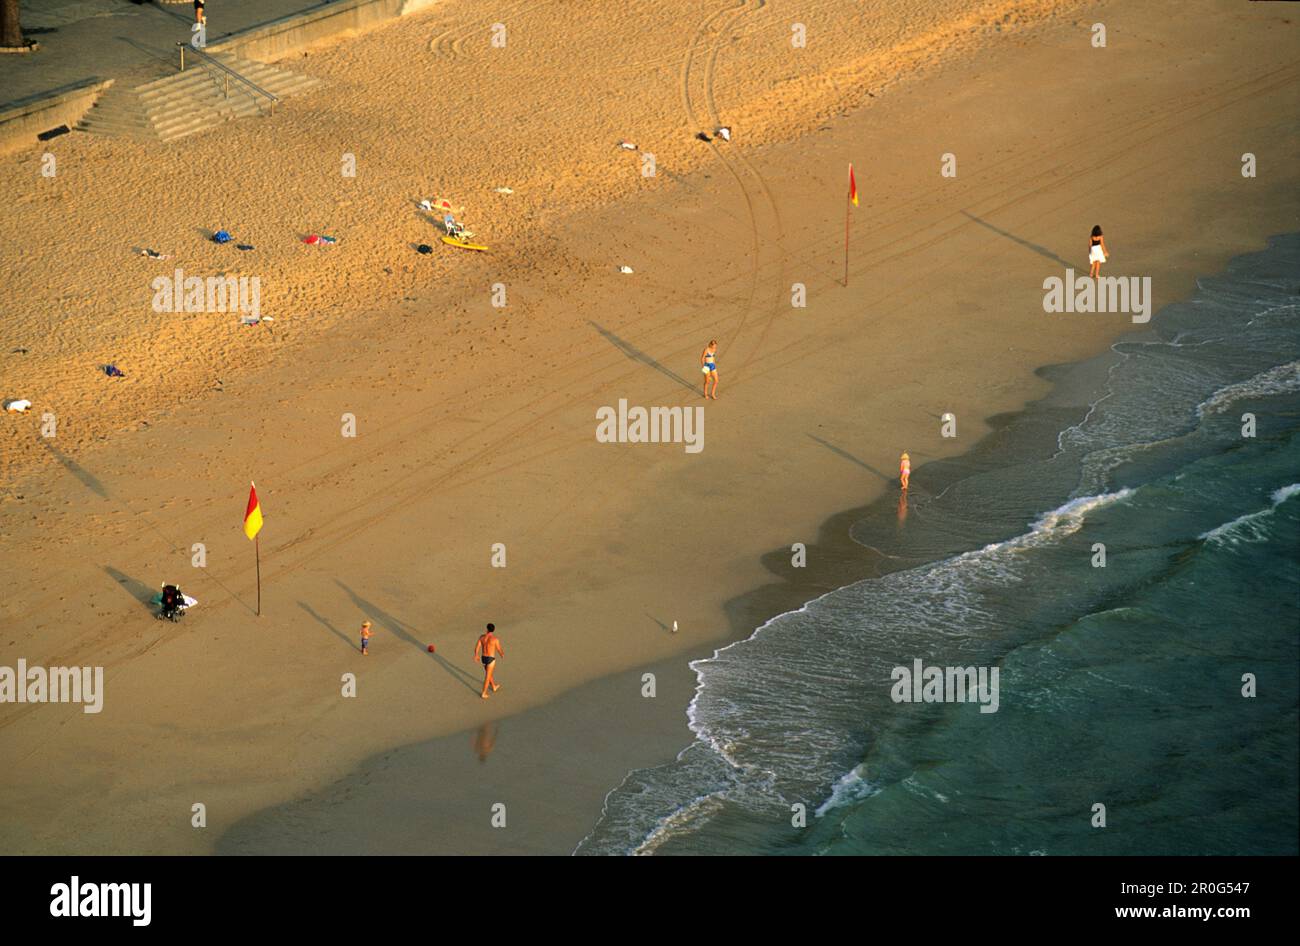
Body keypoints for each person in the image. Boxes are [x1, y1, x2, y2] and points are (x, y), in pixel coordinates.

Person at [474, 623, 505, 699]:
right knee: (487, 677)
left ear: (487, 629)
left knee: (489, 673)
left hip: (483, 658)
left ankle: (494, 686)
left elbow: (477, 647)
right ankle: (484, 693)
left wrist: (476, 655)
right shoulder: (495, 639)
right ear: (493, 630)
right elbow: (499, 649)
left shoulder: (482, 637)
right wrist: (502, 654)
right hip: (490, 659)